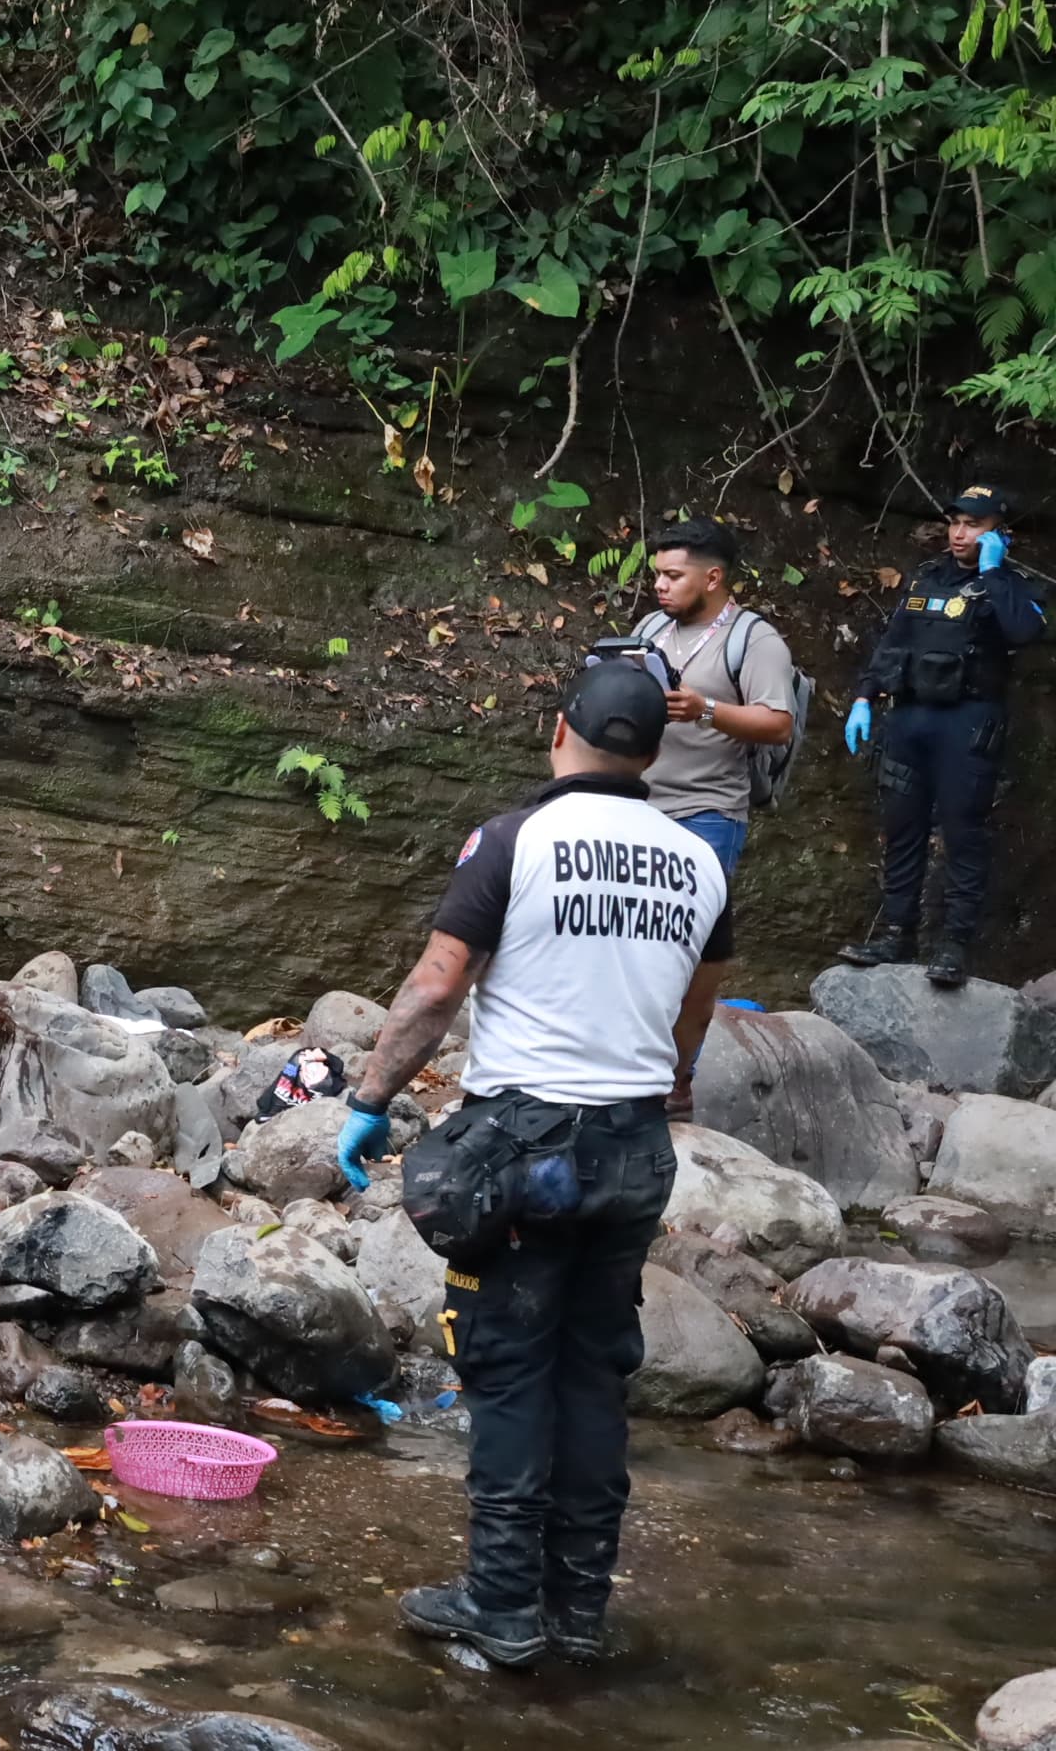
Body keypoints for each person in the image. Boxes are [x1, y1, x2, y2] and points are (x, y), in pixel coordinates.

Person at [332, 659, 734, 1669]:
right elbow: (696, 1008)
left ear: (560, 732)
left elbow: (435, 986)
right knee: (595, 1374)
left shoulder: (515, 840)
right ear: (656, 749)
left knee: (510, 1372)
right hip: (636, 1148)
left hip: (526, 1149)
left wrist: (371, 1100)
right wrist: (662, 1076)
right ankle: (580, 1610)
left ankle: (503, 1605)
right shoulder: (699, 861)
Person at [838, 483, 1046, 985]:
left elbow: (1025, 632)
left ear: (999, 532)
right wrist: (865, 697)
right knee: (903, 828)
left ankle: (954, 945)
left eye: (973, 525)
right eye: (955, 522)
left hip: (967, 721)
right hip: (910, 720)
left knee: (962, 833)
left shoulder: (1012, 585)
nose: (959, 533)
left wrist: (994, 572)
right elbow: (893, 643)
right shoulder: (928, 578)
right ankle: (895, 935)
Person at [630, 519, 796, 878]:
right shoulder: (650, 628)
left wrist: (703, 709)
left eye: (673, 576)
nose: (659, 585)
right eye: (657, 574)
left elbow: (779, 725)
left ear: (712, 578)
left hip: (705, 815)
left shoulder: (753, 639)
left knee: (692, 932)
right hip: (637, 806)